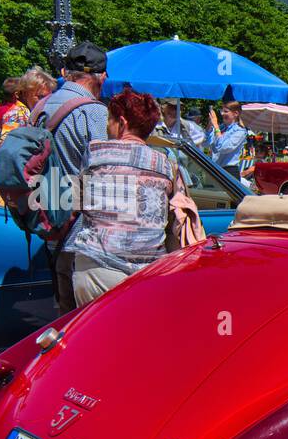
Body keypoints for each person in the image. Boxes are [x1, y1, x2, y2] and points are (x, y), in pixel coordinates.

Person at [70, 90, 183, 306]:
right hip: (149, 273)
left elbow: (76, 201)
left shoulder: (95, 153)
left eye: (109, 120)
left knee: (95, 337)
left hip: (97, 269)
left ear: (121, 122)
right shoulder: (166, 164)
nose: (107, 126)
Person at [30, 41, 111, 315]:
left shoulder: (41, 106)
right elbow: (104, 169)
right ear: (100, 76)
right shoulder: (94, 111)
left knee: (62, 307)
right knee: (84, 314)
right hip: (80, 223)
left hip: (47, 211)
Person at [206, 101, 248, 177]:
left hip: (229, 171)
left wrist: (216, 126)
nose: (222, 114)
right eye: (222, 111)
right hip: (215, 168)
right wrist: (210, 125)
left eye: (226, 111)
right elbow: (205, 144)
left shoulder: (240, 131)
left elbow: (223, 148)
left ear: (235, 113)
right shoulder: (221, 127)